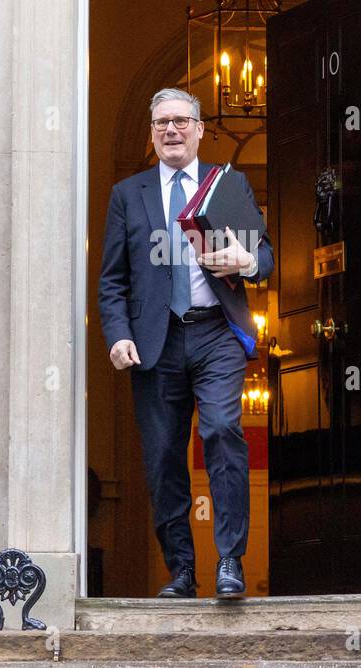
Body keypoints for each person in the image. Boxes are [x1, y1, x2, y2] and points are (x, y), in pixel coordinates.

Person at [98, 88, 274, 598]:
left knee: (221, 431)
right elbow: (113, 280)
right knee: (164, 458)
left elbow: (265, 259)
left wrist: (246, 261)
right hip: (156, 343)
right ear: (151, 135)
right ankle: (180, 569)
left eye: (180, 121)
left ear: (199, 129)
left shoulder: (229, 184)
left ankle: (230, 562)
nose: (171, 131)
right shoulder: (128, 195)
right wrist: (117, 335)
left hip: (216, 331)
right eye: (160, 124)